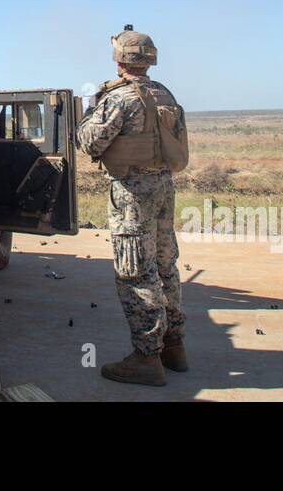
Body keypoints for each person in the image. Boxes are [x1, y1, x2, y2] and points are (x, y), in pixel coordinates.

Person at [77, 27, 191, 386]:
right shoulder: (165, 94)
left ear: (120, 59)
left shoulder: (121, 98)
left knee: (135, 272)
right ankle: (174, 346)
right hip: (162, 187)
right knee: (165, 265)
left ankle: (146, 357)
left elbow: (90, 143)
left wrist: (87, 113)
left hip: (132, 193)